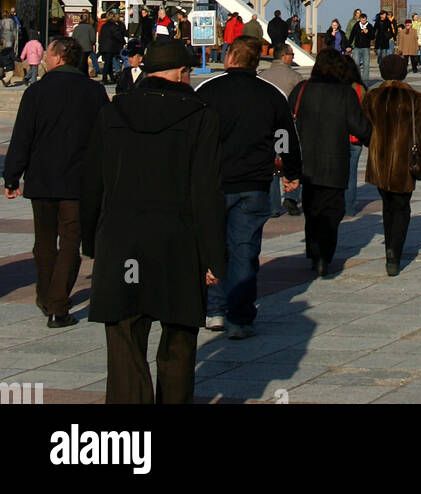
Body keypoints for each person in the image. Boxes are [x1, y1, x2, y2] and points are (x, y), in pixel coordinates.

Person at [80, 39, 226, 404]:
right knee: (178, 338)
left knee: (125, 339)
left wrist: (90, 242)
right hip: (178, 239)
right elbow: (206, 192)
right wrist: (213, 257)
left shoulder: (112, 112)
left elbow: (92, 182)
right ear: (181, 73)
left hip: (121, 238)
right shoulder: (201, 116)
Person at [196, 37, 301, 336]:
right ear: (257, 61)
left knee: (214, 246)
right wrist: (290, 171)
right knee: (244, 249)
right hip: (254, 181)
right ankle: (239, 317)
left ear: (230, 58)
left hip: (214, 181)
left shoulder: (208, 90)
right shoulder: (271, 94)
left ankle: (214, 310)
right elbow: (284, 136)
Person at [3, 38, 108, 326]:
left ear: (59, 57)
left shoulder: (37, 91)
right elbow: (105, 138)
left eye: (48, 54)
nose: (45, 59)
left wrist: (12, 176)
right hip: (78, 181)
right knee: (71, 242)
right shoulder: (94, 92)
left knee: (44, 242)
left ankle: (46, 295)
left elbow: (23, 136)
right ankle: (57, 304)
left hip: (42, 179)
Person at [288, 49, 372, 278]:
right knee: (332, 212)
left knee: (312, 208)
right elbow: (359, 126)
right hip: (335, 163)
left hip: (307, 162)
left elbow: (285, 122)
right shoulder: (344, 93)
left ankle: (313, 251)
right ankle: (324, 254)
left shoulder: (301, 90)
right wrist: (372, 140)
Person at [363, 55, 421, 275]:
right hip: (405, 162)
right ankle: (395, 252)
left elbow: (363, 125)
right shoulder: (414, 98)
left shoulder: (373, 96)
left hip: (380, 160)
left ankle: (389, 247)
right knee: (402, 207)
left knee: (387, 205)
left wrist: (374, 143)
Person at [260, 43, 304, 217]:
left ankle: (273, 206)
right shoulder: (295, 77)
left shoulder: (262, 76)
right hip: (285, 128)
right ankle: (291, 196)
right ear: (285, 56)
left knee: (272, 165)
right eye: (292, 55)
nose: (292, 58)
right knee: (288, 160)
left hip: (266, 126)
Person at [331, 53, 366, 216]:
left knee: (335, 173)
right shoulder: (360, 89)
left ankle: (336, 205)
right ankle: (349, 208)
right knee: (351, 174)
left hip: (336, 136)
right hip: (355, 136)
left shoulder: (334, 87)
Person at [98, 14, 125, 86]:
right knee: (108, 63)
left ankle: (111, 77)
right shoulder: (113, 26)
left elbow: (100, 36)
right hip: (110, 47)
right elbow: (118, 35)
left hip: (104, 46)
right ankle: (105, 78)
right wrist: (123, 42)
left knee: (108, 63)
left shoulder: (104, 26)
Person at [348, 11, 374, 87]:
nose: (363, 21)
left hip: (366, 48)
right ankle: (357, 81)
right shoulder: (356, 25)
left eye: (364, 20)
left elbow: (373, 37)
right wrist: (349, 45)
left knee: (366, 65)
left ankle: (365, 83)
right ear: (359, 19)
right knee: (356, 65)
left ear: (366, 19)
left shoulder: (369, 26)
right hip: (357, 48)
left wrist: (368, 33)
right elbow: (352, 35)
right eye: (362, 20)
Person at [72, 13, 99, 78]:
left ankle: (81, 74)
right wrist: (92, 43)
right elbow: (93, 39)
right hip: (87, 47)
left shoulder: (77, 28)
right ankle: (85, 74)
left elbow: (73, 38)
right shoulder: (90, 27)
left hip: (78, 47)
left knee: (81, 61)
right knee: (85, 61)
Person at [0, 9, 19, 86]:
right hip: (9, 42)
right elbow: (14, 32)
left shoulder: (1, 22)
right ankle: (6, 80)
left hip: (2, 42)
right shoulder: (11, 21)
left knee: (4, 59)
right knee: (10, 59)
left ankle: (7, 80)